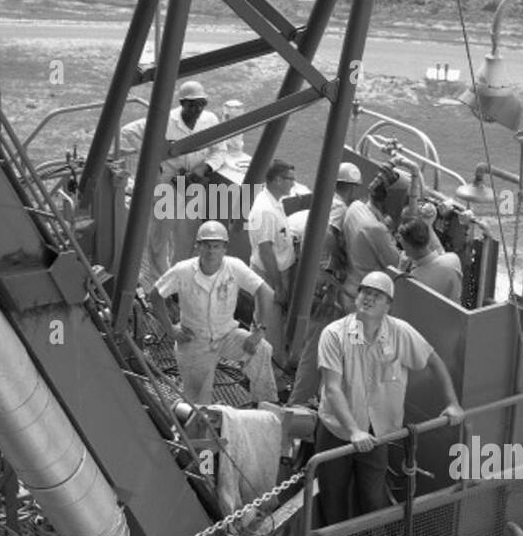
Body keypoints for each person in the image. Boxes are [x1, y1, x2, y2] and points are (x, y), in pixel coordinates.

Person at [315, 271, 463, 525]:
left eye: (376, 295)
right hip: (337, 433)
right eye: (365, 292)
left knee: (373, 498)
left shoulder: (399, 333)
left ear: (388, 306)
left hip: (379, 434)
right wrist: (353, 431)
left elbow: (434, 361)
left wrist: (452, 402)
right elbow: (332, 389)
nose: (368, 299)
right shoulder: (334, 335)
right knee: (333, 497)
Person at [148, 221, 278, 406]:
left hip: (226, 334)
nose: (211, 251)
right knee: (198, 404)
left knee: (262, 349)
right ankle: (198, 423)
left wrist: (259, 331)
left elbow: (265, 292)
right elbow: (155, 295)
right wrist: (171, 330)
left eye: (216, 246)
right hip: (194, 341)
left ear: (225, 248)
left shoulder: (234, 267)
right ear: (197, 247)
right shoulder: (183, 271)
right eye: (206, 245)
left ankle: (264, 405)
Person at [121, 80, 224, 277]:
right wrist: (155, 155)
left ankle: (181, 275)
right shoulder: (165, 121)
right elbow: (128, 131)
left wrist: (204, 167)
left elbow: (220, 150)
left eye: (201, 103)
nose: (197, 109)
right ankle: (159, 276)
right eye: (192, 104)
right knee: (161, 234)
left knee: (187, 234)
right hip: (169, 184)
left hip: (193, 185)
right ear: (182, 103)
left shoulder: (210, 120)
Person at [289, 163, 364, 406]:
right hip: (323, 286)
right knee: (316, 350)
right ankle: (297, 404)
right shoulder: (341, 207)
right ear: (352, 188)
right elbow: (329, 235)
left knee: (318, 345)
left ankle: (309, 397)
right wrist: (339, 262)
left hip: (310, 275)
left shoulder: (328, 199)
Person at [246, 159, 297, 357]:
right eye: (289, 179)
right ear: (277, 180)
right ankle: (274, 376)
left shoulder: (272, 202)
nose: (293, 183)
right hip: (270, 275)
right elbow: (266, 250)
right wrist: (278, 286)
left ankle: (252, 367)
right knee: (271, 327)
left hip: (272, 273)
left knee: (261, 320)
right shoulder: (266, 209)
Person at [341, 172, 401, 306]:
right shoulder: (377, 229)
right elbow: (397, 265)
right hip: (365, 300)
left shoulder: (355, 206)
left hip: (350, 287)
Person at [397, 217, 463, 302]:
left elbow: (396, 298)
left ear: (408, 247)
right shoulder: (453, 260)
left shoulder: (414, 280)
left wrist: (400, 269)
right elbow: (439, 253)